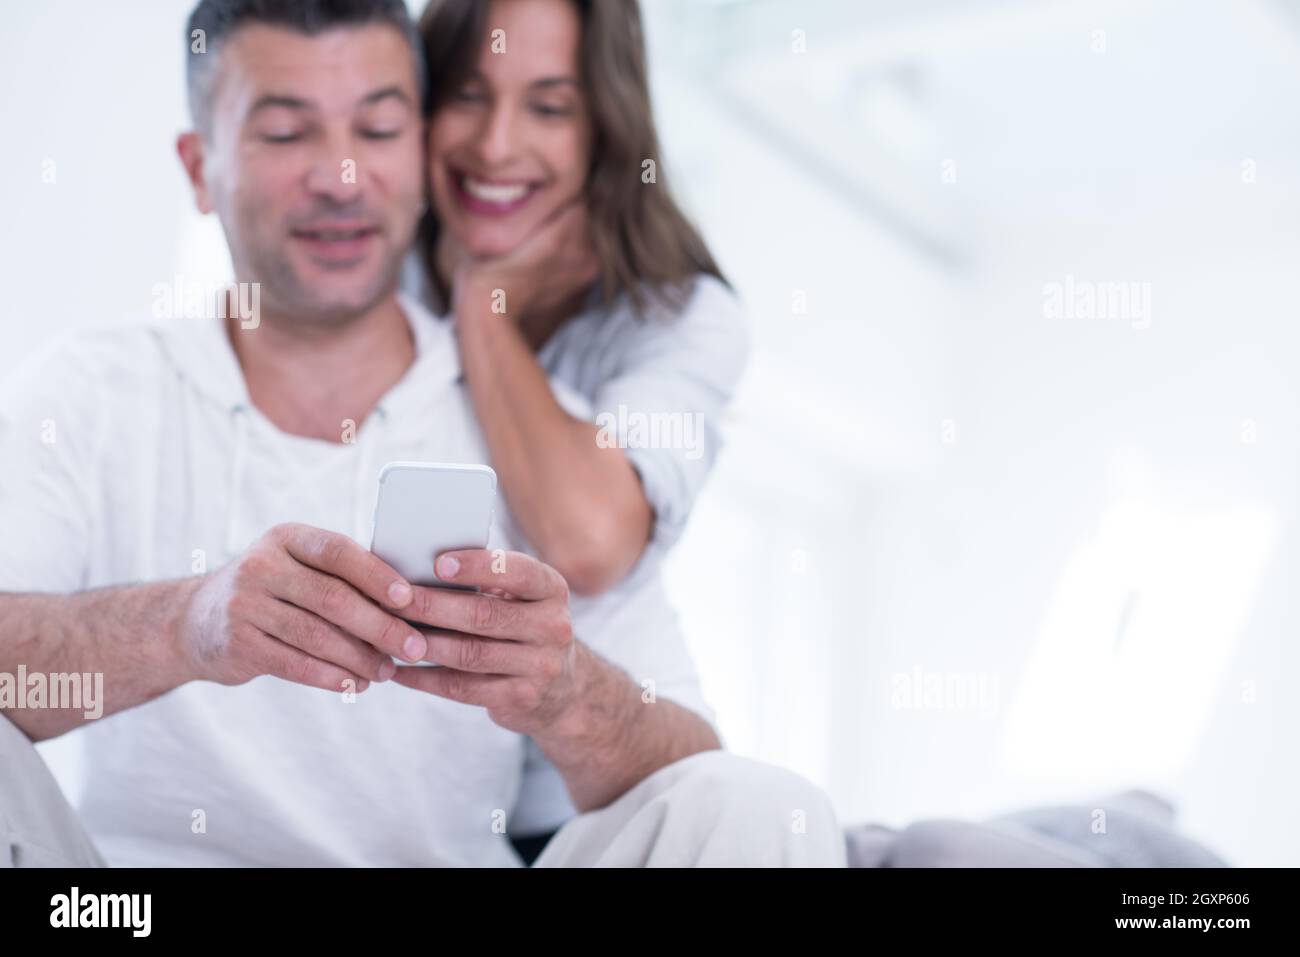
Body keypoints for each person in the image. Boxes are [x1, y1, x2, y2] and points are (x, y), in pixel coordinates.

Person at [0, 0, 845, 868]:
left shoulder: (532, 432)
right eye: (287, 134)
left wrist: (565, 692)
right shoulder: (96, 389)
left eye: (378, 128)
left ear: (420, 149)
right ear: (199, 166)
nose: (341, 177)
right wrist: (187, 625)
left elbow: (690, 763)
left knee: (758, 804)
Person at [407, 0, 748, 596]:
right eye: (466, 93)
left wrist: (483, 303)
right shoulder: (373, 254)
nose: (495, 145)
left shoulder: (685, 318)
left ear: (605, 131)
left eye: (548, 107)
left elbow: (588, 543)